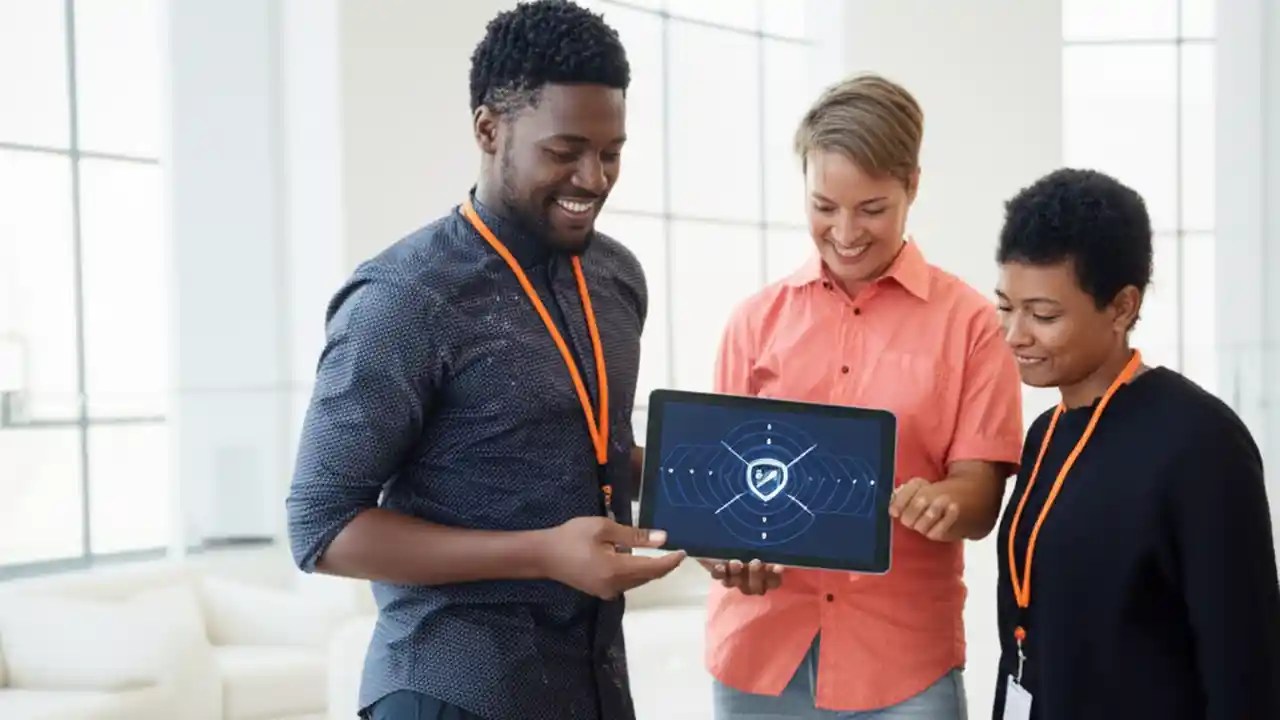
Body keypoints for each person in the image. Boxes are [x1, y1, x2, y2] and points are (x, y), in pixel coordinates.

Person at [285, 2, 685, 719]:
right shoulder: (405, 297)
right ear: (488, 129)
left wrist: (723, 502)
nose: (594, 178)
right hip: (450, 691)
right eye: (564, 151)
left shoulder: (616, 278)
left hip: (593, 689)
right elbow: (321, 527)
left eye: (611, 152)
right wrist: (542, 553)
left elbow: (591, 448)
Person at [704, 73, 1025, 719]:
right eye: (824, 206)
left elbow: (980, 497)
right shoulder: (754, 323)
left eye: (872, 209)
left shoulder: (971, 324)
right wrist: (723, 549)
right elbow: (722, 492)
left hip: (903, 661)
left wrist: (942, 501)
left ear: (912, 186)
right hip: (760, 653)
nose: (846, 231)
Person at [991, 167, 1280, 719]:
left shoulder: (1202, 444)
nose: (1015, 335)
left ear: (1122, 307)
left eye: (1043, 315)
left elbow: (1245, 667)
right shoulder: (1046, 433)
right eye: (1006, 306)